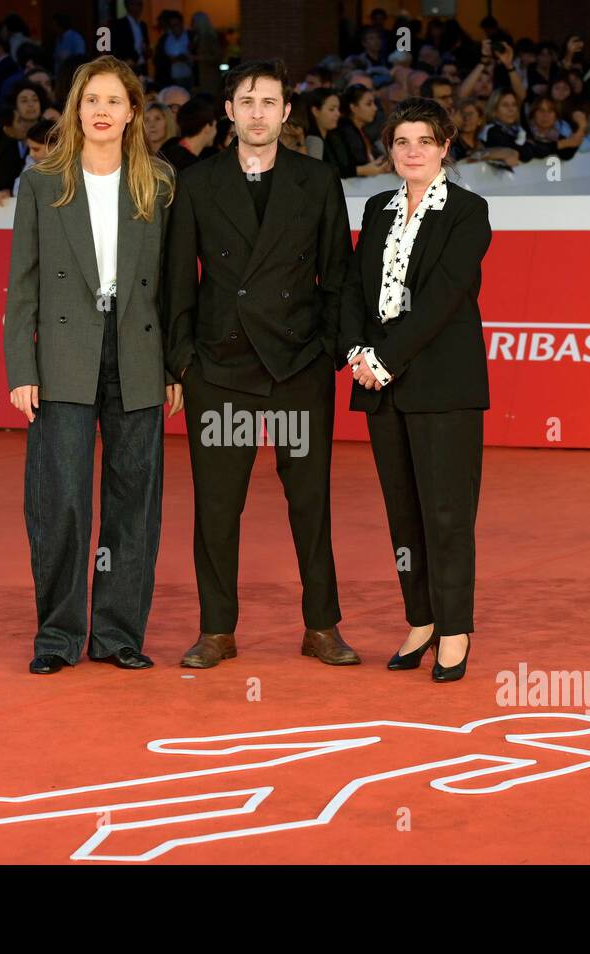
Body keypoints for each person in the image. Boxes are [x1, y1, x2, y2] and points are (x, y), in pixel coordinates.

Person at [163, 59, 356, 669]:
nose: (257, 112)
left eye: (268, 102)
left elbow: (338, 279)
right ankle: (217, 629)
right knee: (218, 506)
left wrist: (325, 351)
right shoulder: (196, 183)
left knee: (310, 503)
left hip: (297, 366)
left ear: (285, 112)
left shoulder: (318, 180)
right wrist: (184, 362)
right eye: (246, 101)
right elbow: (176, 286)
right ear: (228, 111)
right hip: (220, 372)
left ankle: (322, 625)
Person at [2, 55, 177, 675]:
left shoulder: (158, 182)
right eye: (91, 100)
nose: (102, 112)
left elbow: (175, 285)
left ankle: (118, 634)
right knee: (62, 500)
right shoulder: (44, 183)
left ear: (134, 112)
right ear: (77, 110)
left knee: (135, 501)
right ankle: (57, 637)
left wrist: (174, 369)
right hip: (64, 358)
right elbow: (22, 284)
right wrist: (21, 367)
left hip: (138, 355)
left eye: (114, 101)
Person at [339, 97, 492, 680]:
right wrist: (358, 351)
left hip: (442, 382)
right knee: (403, 512)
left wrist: (386, 358)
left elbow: (443, 298)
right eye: (401, 142)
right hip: (380, 383)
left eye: (424, 141)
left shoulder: (468, 211)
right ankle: (421, 620)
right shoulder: (377, 208)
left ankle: (454, 628)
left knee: (447, 512)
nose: (412, 152)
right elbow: (355, 286)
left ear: (445, 146)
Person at [325, 84, 388, 177]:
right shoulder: (345, 132)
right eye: (369, 104)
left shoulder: (361, 131)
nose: (375, 108)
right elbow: (350, 166)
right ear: (353, 107)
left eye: (374, 103)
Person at [158, 96, 215, 172]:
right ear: (207, 127)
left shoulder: (169, 147)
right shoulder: (194, 167)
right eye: (215, 125)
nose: (216, 131)